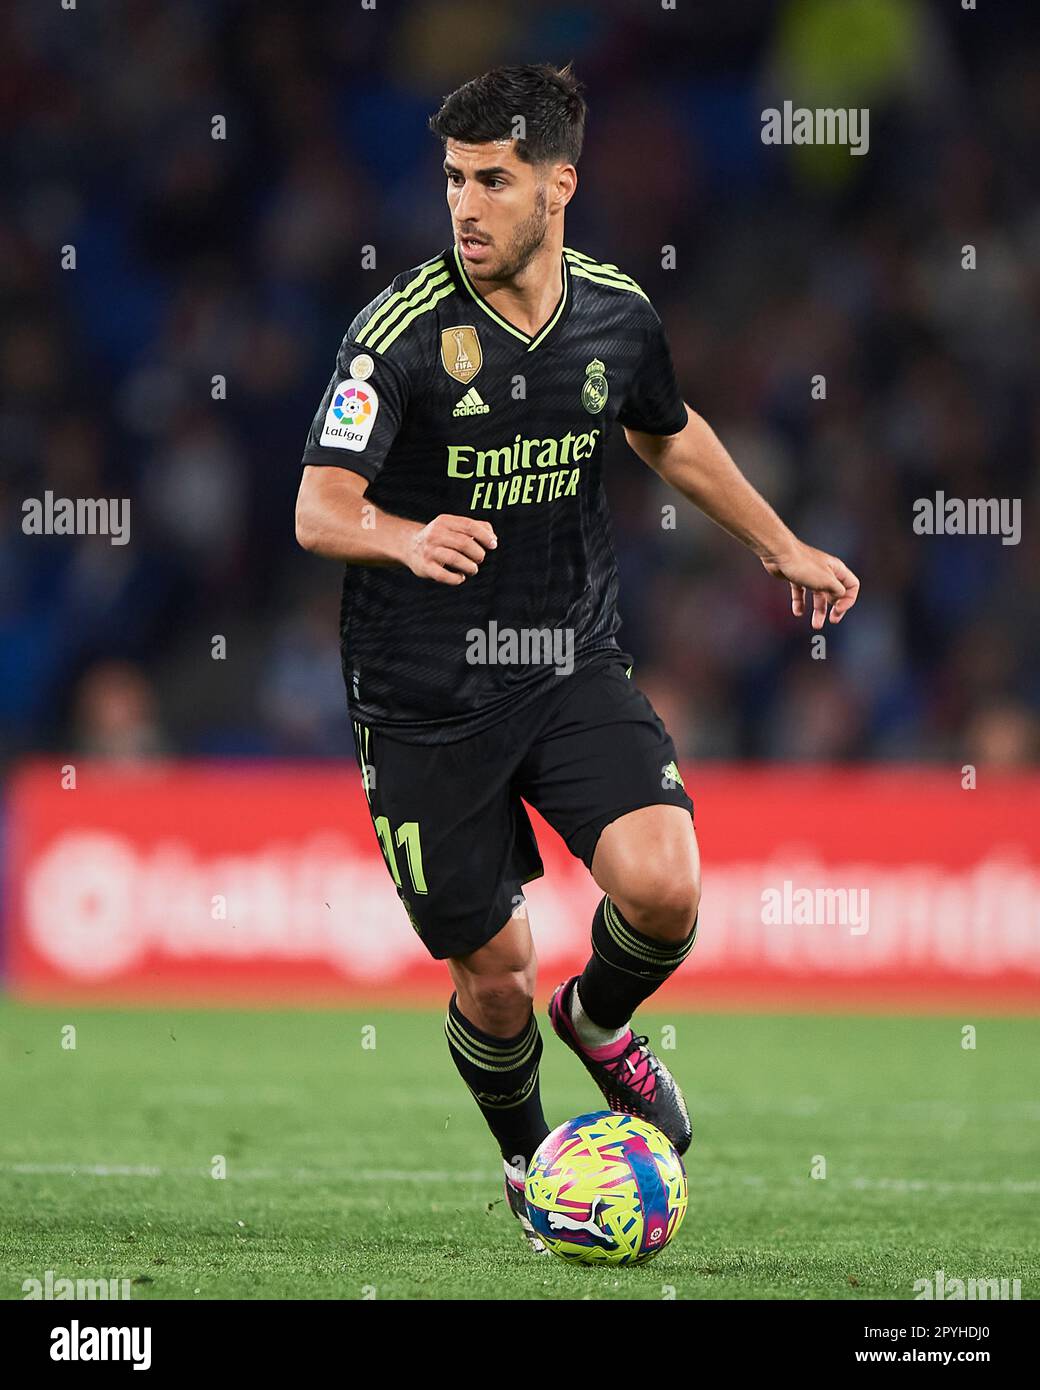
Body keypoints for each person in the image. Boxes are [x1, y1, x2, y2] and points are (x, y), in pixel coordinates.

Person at [295, 63, 859, 1252]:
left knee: (662, 882)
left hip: (563, 660)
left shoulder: (614, 313)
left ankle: (600, 1020)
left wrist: (778, 543)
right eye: (451, 178)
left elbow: (669, 433)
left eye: (492, 179)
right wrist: (403, 534)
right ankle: (528, 1159)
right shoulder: (395, 333)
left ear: (558, 183)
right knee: (490, 975)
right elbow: (317, 507)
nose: (465, 204)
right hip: (419, 703)